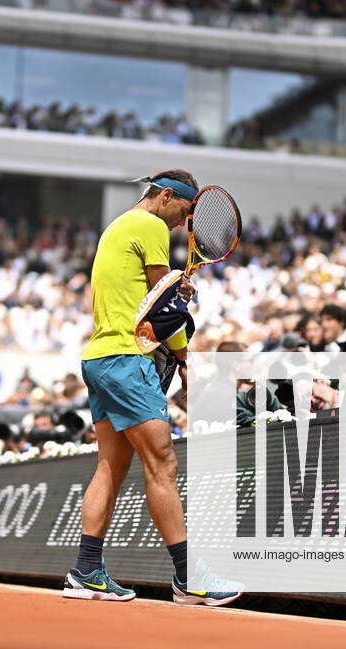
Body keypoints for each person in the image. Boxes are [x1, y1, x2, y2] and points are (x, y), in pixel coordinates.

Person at [65, 168, 239, 606]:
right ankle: (189, 578)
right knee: (162, 463)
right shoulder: (150, 225)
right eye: (184, 211)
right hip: (128, 358)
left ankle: (86, 570)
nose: (184, 223)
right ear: (165, 197)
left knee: (110, 466)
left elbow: (155, 298)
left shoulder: (118, 226)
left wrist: (176, 298)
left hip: (99, 358)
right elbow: (163, 304)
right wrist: (183, 357)